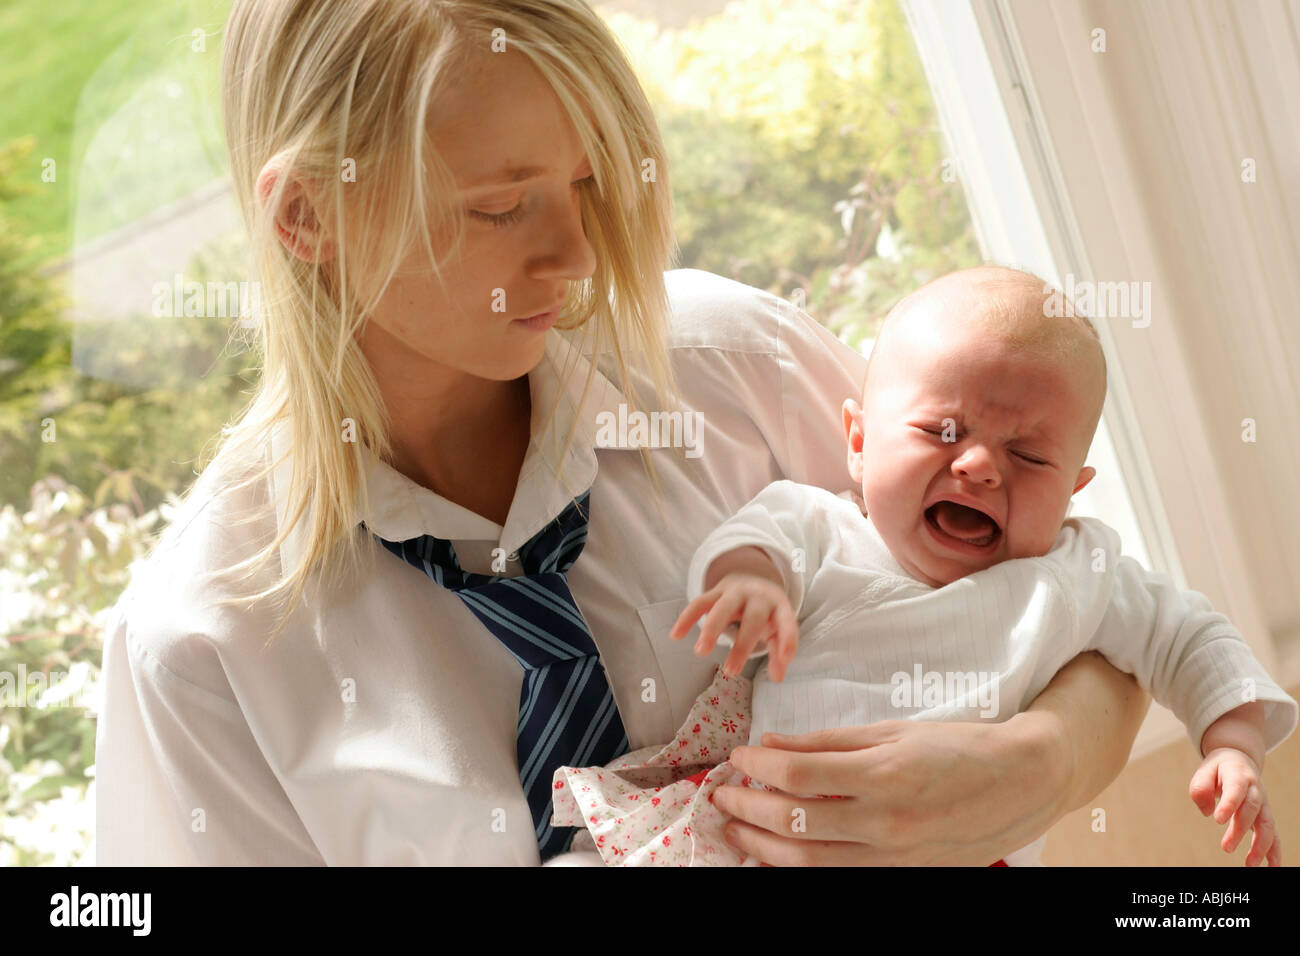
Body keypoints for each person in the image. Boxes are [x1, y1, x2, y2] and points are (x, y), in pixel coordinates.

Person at [94, 0, 1151, 867]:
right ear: (310, 216)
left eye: (589, 181)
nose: (576, 256)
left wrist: (1038, 763)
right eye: (503, 206)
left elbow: (1087, 610)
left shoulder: (734, 372)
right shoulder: (204, 649)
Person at [552, 267, 1296, 866]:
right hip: (765, 835)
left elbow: (1190, 638)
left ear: (1074, 490)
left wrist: (1232, 743)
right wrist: (750, 582)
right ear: (858, 440)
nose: (977, 467)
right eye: (942, 431)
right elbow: (759, 542)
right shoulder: (826, 527)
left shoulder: (1081, 572)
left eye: (1029, 457)